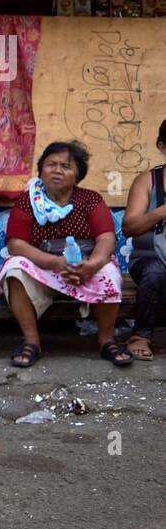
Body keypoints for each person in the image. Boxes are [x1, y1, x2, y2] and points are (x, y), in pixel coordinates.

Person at [0, 141, 129, 367]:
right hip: (44, 266)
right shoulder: (28, 201)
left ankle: (107, 340)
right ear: (41, 170)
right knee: (14, 268)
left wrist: (92, 264)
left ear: (78, 175)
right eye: (51, 165)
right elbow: (16, 244)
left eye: (66, 166)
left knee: (108, 270)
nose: (57, 170)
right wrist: (56, 262)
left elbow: (106, 238)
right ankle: (31, 342)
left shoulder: (90, 200)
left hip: (85, 265)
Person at [119, 119, 166, 360]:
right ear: (161, 146)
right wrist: (159, 212)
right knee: (156, 272)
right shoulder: (148, 181)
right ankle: (140, 335)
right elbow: (129, 227)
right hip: (149, 260)